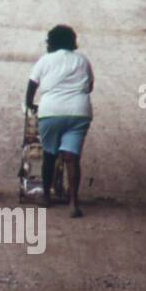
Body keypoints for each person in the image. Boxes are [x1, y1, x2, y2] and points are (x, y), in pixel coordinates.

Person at [25, 24, 94, 217]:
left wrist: (30, 104)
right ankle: (73, 202)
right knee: (72, 159)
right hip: (79, 112)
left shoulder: (45, 60)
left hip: (51, 111)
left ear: (52, 43)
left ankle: (46, 196)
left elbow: (32, 85)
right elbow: (89, 86)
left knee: (49, 155)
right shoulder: (83, 60)